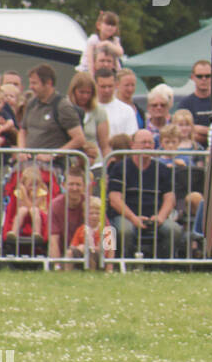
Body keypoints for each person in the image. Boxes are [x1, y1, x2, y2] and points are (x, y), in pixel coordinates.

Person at [105, 128, 184, 259]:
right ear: (132, 145)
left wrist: (160, 217)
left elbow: (170, 198)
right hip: (125, 216)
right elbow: (114, 199)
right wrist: (133, 218)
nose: (147, 146)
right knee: (126, 231)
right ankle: (126, 265)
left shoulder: (162, 169)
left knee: (174, 230)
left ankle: (162, 267)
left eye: (150, 143)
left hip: (154, 217)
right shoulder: (119, 168)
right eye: (143, 142)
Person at [17, 64, 87, 159]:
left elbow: (79, 139)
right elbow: (23, 130)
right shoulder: (31, 103)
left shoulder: (62, 106)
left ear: (48, 83)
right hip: (28, 162)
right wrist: (22, 150)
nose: (31, 87)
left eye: (34, 83)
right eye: (30, 83)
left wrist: (53, 155)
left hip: (52, 166)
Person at [48, 171, 101, 270]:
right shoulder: (55, 205)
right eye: (71, 184)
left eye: (78, 185)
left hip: (93, 252)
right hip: (68, 253)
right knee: (70, 253)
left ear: (84, 186)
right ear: (63, 185)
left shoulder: (92, 203)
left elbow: (107, 230)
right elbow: (53, 240)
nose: (74, 188)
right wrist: (57, 266)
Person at [67, 71, 109, 169]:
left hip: (94, 165)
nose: (85, 96)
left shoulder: (99, 111)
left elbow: (104, 145)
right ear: (73, 91)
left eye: (88, 93)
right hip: (71, 164)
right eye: (81, 92)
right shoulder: (65, 109)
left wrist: (108, 165)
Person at [175, 61, 212, 145]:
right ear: (192, 77)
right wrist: (211, 132)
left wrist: (198, 129)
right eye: (199, 76)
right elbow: (180, 130)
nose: (204, 79)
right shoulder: (185, 104)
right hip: (192, 151)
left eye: (208, 76)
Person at [106, 68, 145, 138]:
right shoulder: (110, 108)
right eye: (127, 85)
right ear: (117, 85)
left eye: (132, 85)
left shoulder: (139, 111)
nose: (130, 89)